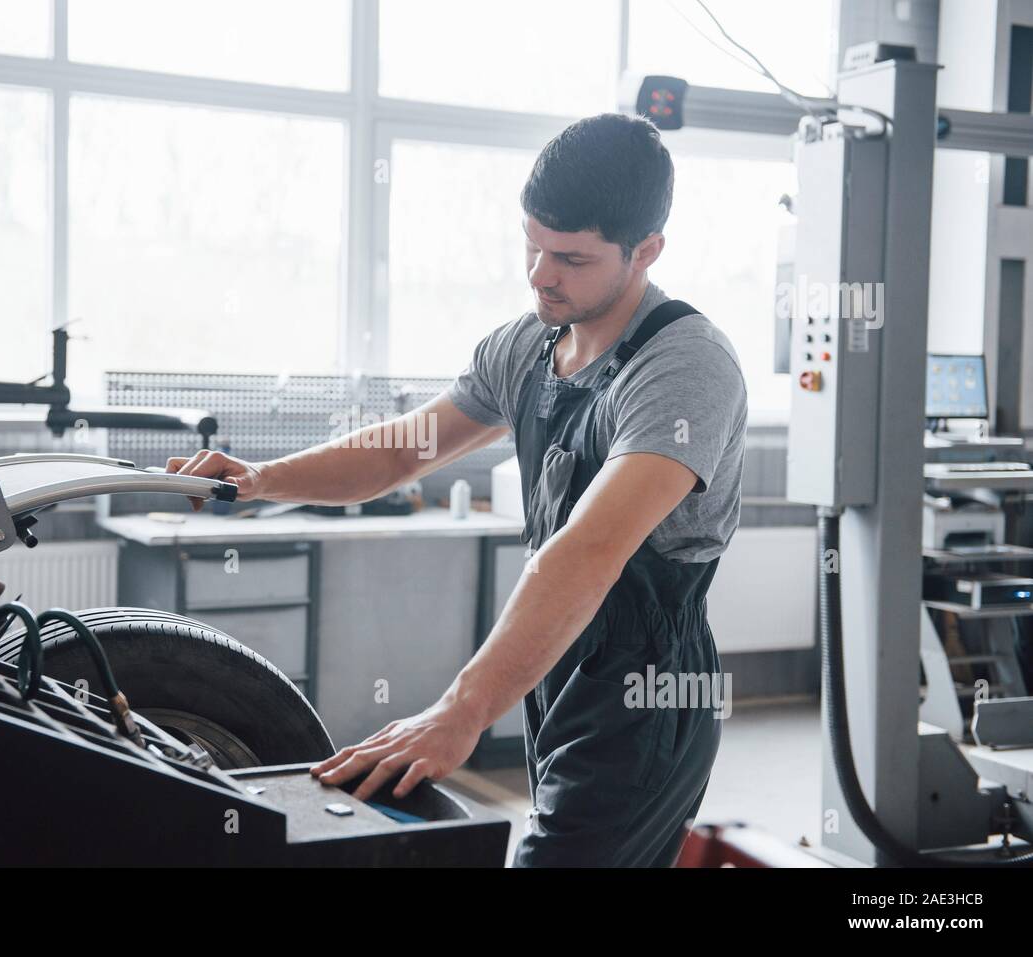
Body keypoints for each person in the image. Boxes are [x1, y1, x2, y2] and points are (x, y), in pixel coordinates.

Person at [167, 112, 747, 866]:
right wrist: (258, 479)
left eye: (570, 258)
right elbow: (400, 452)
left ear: (646, 252)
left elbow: (588, 550)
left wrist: (463, 707)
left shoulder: (684, 368)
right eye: (531, 244)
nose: (540, 274)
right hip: (556, 665)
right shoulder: (528, 345)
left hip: (647, 690)